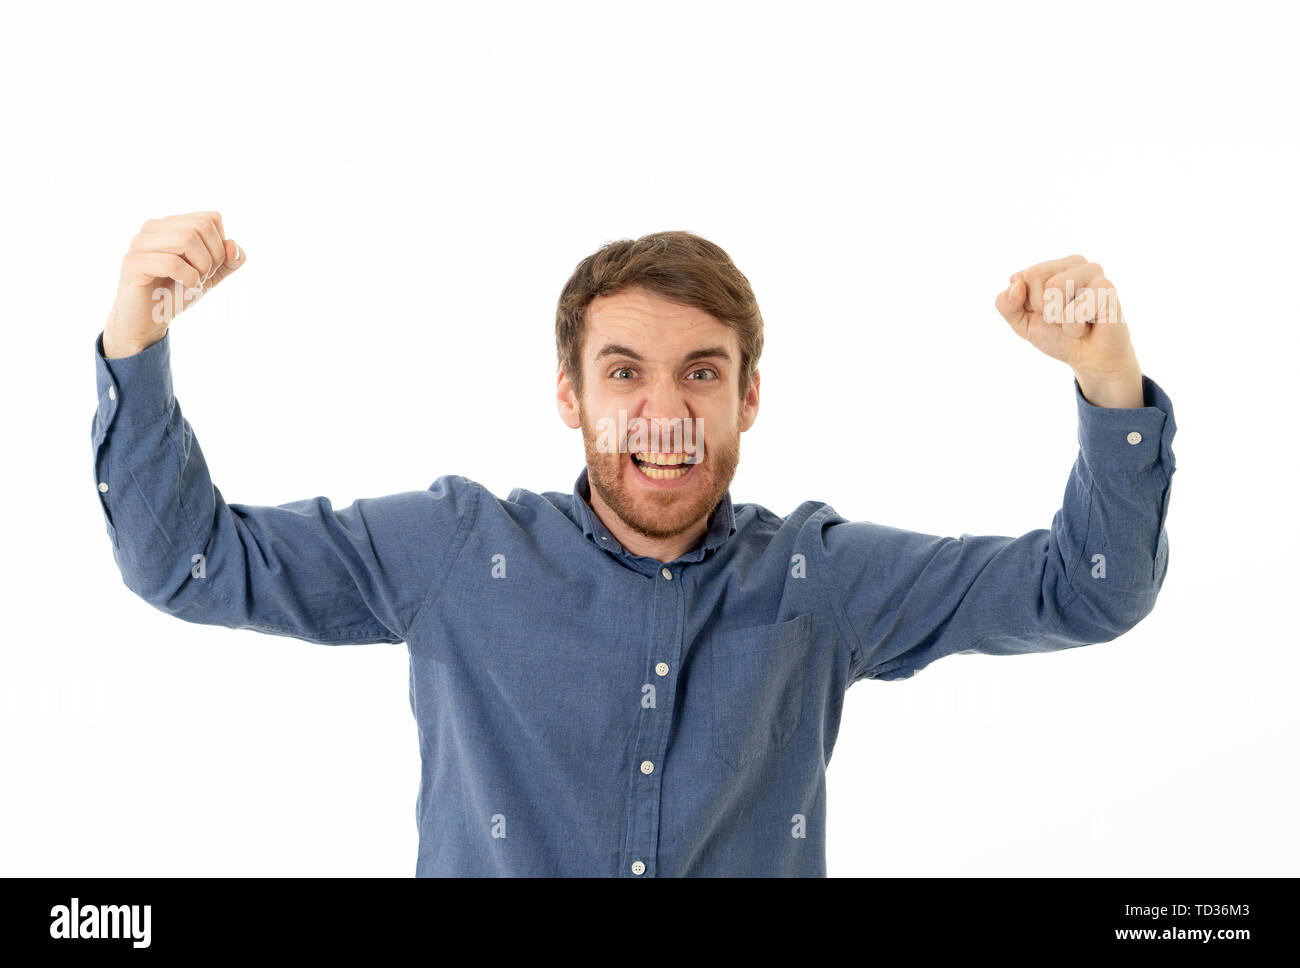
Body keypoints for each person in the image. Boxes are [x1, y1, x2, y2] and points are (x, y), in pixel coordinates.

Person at [92, 211, 1177, 876]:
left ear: (749, 397)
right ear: (568, 394)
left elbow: (1087, 592)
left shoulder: (823, 576)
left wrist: (1106, 380)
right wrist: (136, 337)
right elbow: (184, 561)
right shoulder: (458, 550)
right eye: (623, 372)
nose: (664, 412)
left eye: (701, 372)